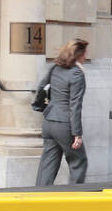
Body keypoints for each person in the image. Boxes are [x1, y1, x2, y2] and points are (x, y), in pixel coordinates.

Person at [36, 38, 89, 186]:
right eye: (85, 54)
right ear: (79, 55)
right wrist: (77, 134)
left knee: (48, 163)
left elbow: (41, 87)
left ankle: (38, 197)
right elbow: (75, 105)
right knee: (79, 162)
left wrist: (39, 106)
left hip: (48, 122)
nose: (85, 57)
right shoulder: (77, 74)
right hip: (64, 125)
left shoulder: (55, 68)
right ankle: (73, 198)